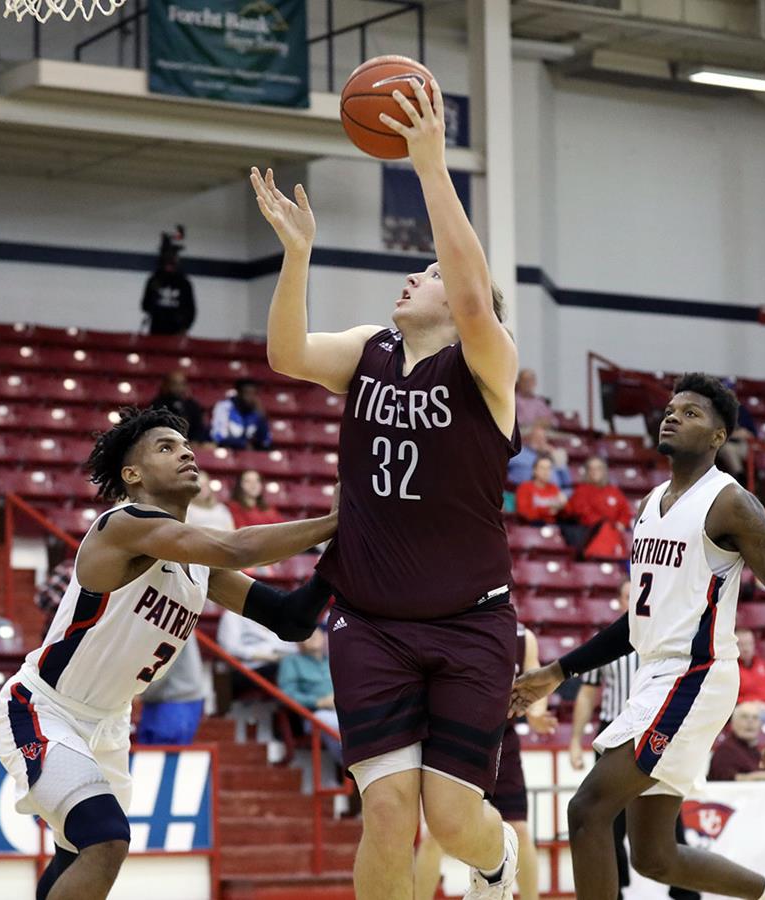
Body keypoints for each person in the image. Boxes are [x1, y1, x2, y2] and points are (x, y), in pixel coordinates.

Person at [251, 74, 525, 899]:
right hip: (371, 622)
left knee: (452, 819)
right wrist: (297, 256)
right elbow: (288, 355)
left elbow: (473, 298)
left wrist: (429, 164)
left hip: (471, 623)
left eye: (430, 273)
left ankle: (498, 862)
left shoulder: (487, 365)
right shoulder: (370, 349)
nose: (414, 278)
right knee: (386, 812)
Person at [0, 406, 339, 900]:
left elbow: (291, 619)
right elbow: (238, 548)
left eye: (187, 446)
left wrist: (343, 551)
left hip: (109, 722)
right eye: (166, 447)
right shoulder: (123, 526)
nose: (186, 453)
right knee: (106, 841)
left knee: (78, 850)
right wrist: (335, 521)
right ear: (132, 475)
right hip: (45, 708)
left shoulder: (196, 563)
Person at [512, 374, 765, 900]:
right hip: (657, 674)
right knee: (654, 855)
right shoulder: (649, 504)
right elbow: (639, 623)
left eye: (691, 413)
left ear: (718, 437)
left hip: (696, 674)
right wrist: (557, 671)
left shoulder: (730, 503)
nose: (673, 417)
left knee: (588, 809)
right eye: (670, 409)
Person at [568, 582, 703, 900]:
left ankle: (686, 894)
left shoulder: (670, 636)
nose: (636, 599)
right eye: (628, 596)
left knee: (667, 821)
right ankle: (613, 893)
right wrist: (575, 740)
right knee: (605, 822)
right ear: (620, 601)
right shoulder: (607, 643)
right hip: (615, 734)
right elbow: (587, 694)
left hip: (658, 733)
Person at [413, 623, 556, 900]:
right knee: (434, 837)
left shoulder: (523, 638)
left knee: (520, 830)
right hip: (456, 740)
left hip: (503, 741)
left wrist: (536, 713)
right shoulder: (454, 628)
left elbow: (536, 683)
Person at [277, 625, 341, 765]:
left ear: (324, 637)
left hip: (341, 711)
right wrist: (318, 702)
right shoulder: (292, 661)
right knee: (334, 723)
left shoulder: (333, 660)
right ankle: (351, 765)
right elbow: (286, 695)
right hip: (313, 715)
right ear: (299, 641)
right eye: (309, 634)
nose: (313, 636)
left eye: (316, 633)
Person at [135, 636, 206, 747]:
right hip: (169, 697)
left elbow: (162, 663)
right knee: (153, 751)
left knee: (165, 751)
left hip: (175, 700)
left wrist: (136, 692)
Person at [562, 456, 634, 559]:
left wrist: (622, 523)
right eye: (591, 469)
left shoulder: (614, 491)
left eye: (598, 468)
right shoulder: (581, 491)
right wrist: (607, 524)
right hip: (592, 533)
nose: (595, 472)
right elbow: (583, 513)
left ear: (604, 471)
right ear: (587, 472)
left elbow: (625, 512)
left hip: (615, 532)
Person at [142, 228, 196, 335]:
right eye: (166, 262)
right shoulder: (154, 280)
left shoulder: (184, 283)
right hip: (156, 331)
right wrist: (153, 295)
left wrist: (185, 327)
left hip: (176, 332)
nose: (169, 266)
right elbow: (145, 306)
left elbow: (191, 310)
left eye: (172, 262)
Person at [708, 703, 765, 782]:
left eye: (755, 718)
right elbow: (727, 781)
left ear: (760, 724)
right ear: (733, 723)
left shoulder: (757, 752)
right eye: (744, 717)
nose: (750, 722)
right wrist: (760, 777)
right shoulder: (724, 751)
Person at [210, 378, 272, 450]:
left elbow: (265, 441)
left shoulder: (256, 412)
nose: (250, 397)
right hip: (226, 449)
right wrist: (242, 444)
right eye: (247, 393)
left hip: (249, 453)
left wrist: (262, 418)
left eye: (253, 394)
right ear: (238, 393)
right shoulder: (224, 407)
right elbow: (218, 436)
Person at [149, 370, 209, 443]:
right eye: (174, 384)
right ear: (166, 385)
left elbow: (199, 428)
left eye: (182, 384)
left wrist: (196, 441)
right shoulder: (157, 405)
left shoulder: (192, 406)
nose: (178, 387)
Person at [508, 421, 572, 488]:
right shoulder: (519, 453)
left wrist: (557, 457)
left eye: (543, 438)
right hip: (525, 490)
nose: (540, 441)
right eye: (537, 437)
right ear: (529, 438)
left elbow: (567, 483)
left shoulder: (554, 455)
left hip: (554, 492)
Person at [734, 628, 765, 708]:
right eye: (741, 645)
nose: (746, 649)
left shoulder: (764, 665)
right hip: (746, 708)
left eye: (749, 644)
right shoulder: (732, 670)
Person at [514, 456, 567, 525]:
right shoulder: (525, 487)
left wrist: (564, 505)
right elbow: (523, 513)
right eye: (542, 468)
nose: (546, 472)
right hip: (531, 526)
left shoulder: (554, 488)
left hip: (553, 526)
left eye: (549, 468)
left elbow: (566, 514)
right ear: (534, 470)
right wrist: (548, 510)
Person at [515, 368, 555, 432]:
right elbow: (514, 422)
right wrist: (535, 423)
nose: (527, 383)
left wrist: (547, 422)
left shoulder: (540, 401)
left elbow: (554, 421)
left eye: (530, 380)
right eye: (525, 381)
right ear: (519, 383)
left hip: (544, 431)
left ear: (535, 383)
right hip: (522, 432)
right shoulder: (513, 401)